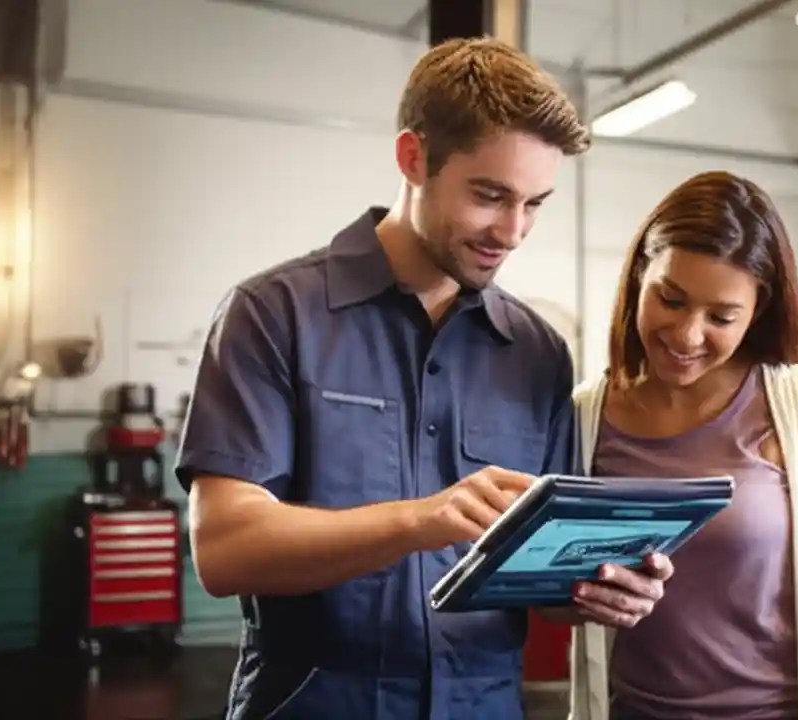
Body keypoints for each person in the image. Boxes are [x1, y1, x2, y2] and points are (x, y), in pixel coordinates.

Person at [175, 38, 672, 720]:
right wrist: (419, 520)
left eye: (535, 203)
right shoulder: (272, 315)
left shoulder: (538, 352)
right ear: (413, 159)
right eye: (490, 195)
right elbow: (226, 549)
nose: (513, 230)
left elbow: (544, 583)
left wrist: (601, 587)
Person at [566, 171, 798, 719]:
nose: (687, 335)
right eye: (671, 299)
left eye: (721, 317)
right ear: (640, 275)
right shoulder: (584, 416)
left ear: (757, 311)